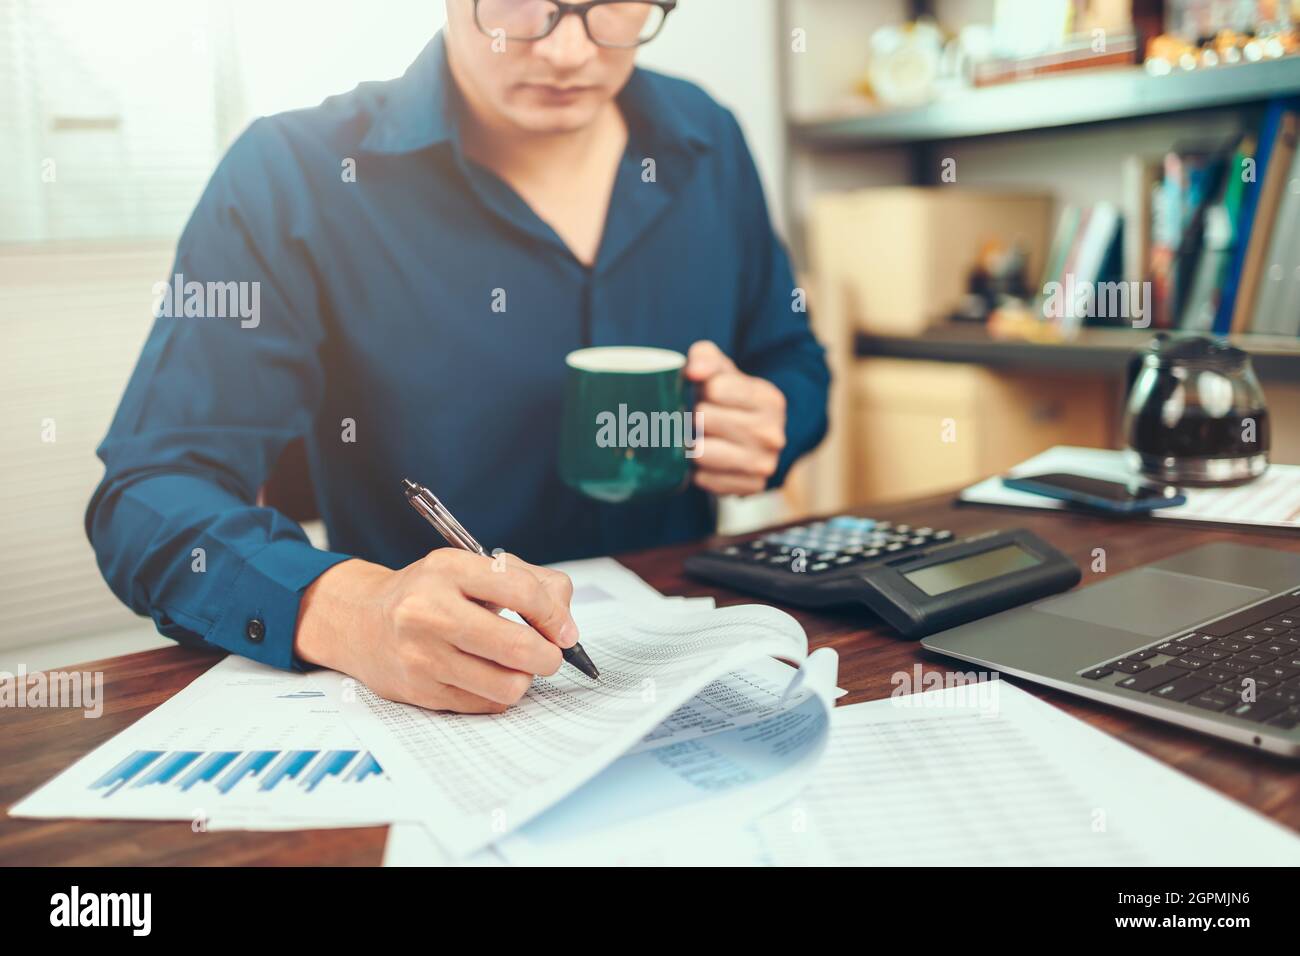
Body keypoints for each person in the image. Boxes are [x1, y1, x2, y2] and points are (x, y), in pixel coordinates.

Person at [88, 0, 829, 713]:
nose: (568, 50)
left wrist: (773, 419)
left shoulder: (707, 138)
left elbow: (792, 358)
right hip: (434, 705)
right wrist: (348, 609)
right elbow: (149, 492)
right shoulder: (291, 176)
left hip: (686, 670)